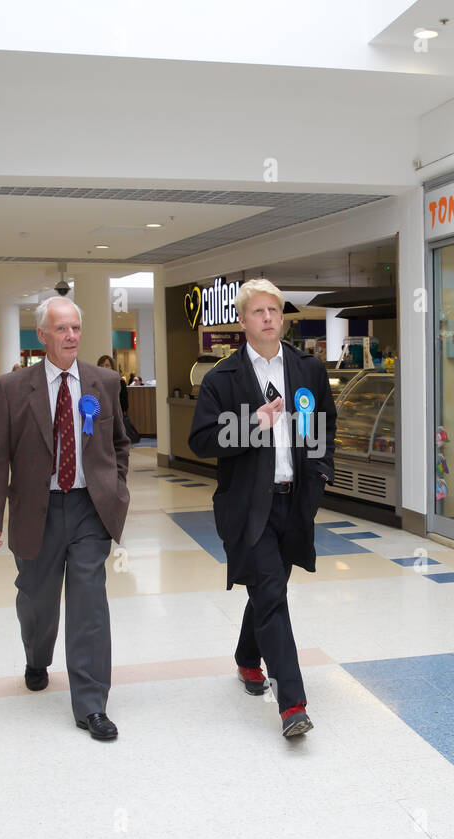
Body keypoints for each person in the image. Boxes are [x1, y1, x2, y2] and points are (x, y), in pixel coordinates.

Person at [0, 296, 131, 741]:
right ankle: (36, 655)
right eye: (61, 329)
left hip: (88, 508)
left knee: (89, 605)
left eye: (76, 329)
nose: (71, 337)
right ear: (41, 334)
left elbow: (120, 442)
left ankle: (91, 705)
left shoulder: (104, 381)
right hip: (36, 511)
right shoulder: (12, 388)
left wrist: (114, 489)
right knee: (37, 600)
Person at [188, 278, 337, 738]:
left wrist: (323, 471)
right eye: (258, 311)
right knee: (272, 594)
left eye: (274, 310)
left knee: (268, 588)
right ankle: (293, 704)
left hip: (295, 502)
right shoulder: (222, 378)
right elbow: (201, 440)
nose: (269, 318)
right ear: (242, 321)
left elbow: (325, 423)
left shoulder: (307, 369)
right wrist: (252, 424)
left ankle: (247, 658)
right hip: (249, 507)